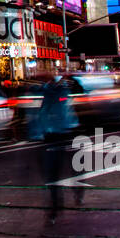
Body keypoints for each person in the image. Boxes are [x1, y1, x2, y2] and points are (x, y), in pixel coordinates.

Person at [31, 74, 81, 222]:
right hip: (51, 134)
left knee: (62, 169)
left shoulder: (61, 91)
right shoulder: (47, 91)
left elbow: (63, 108)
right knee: (53, 173)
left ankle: (72, 195)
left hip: (61, 133)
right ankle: (55, 206)